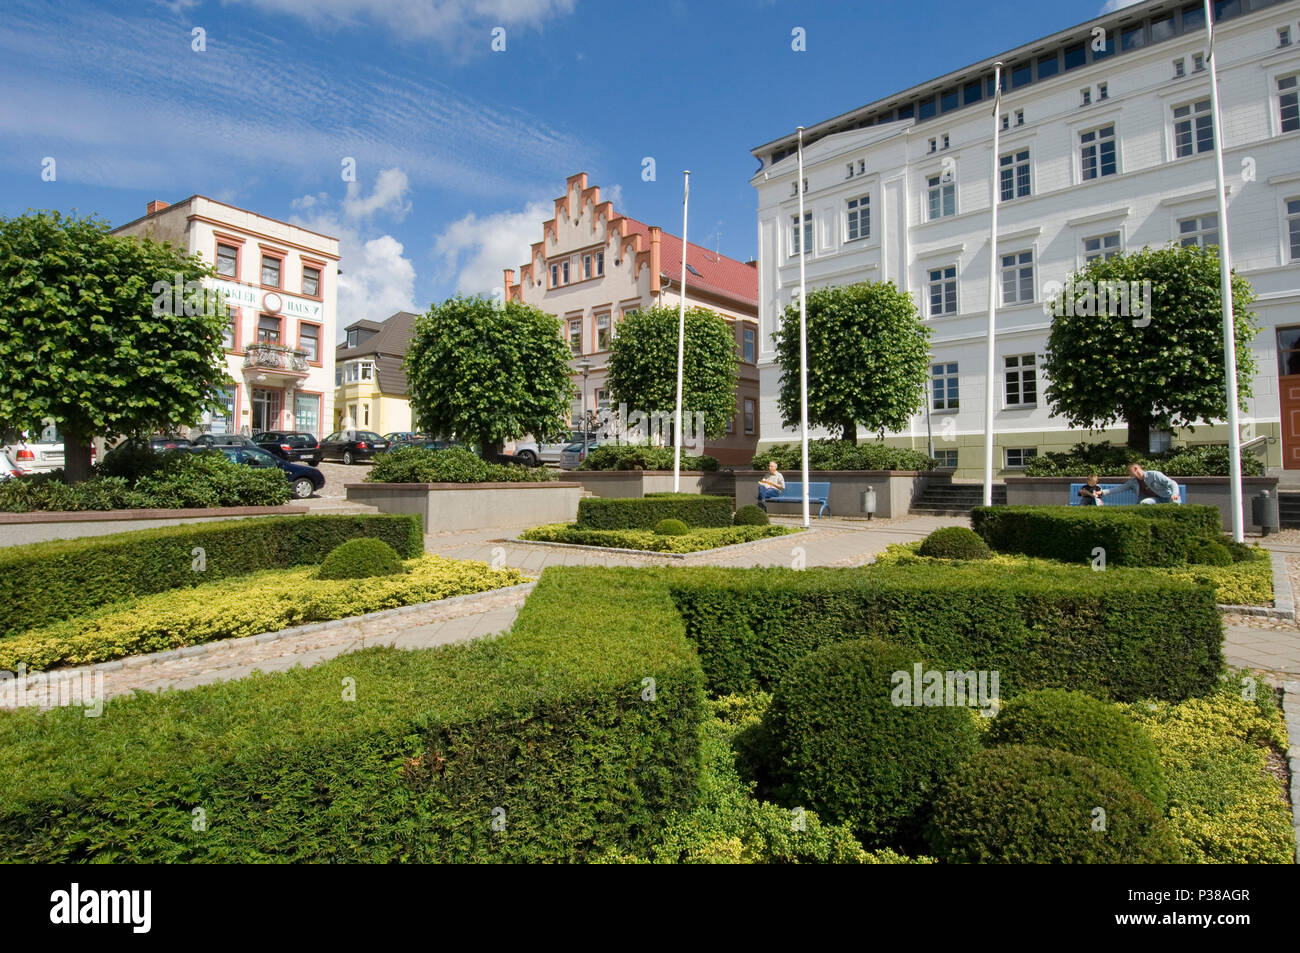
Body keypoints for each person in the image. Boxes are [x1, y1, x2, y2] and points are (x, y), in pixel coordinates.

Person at [1100, 463, 1181, 504]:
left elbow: (1172, 483)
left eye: (1129, 471)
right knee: (1144, 503)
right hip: (1155, 500)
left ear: (1136, 469)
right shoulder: (1133, 481)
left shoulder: (1154, 475)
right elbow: (1120, 488)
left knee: (1174, 503)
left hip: (1168, 496)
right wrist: (1102, 492)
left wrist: (1175, 493)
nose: (1129, 474)